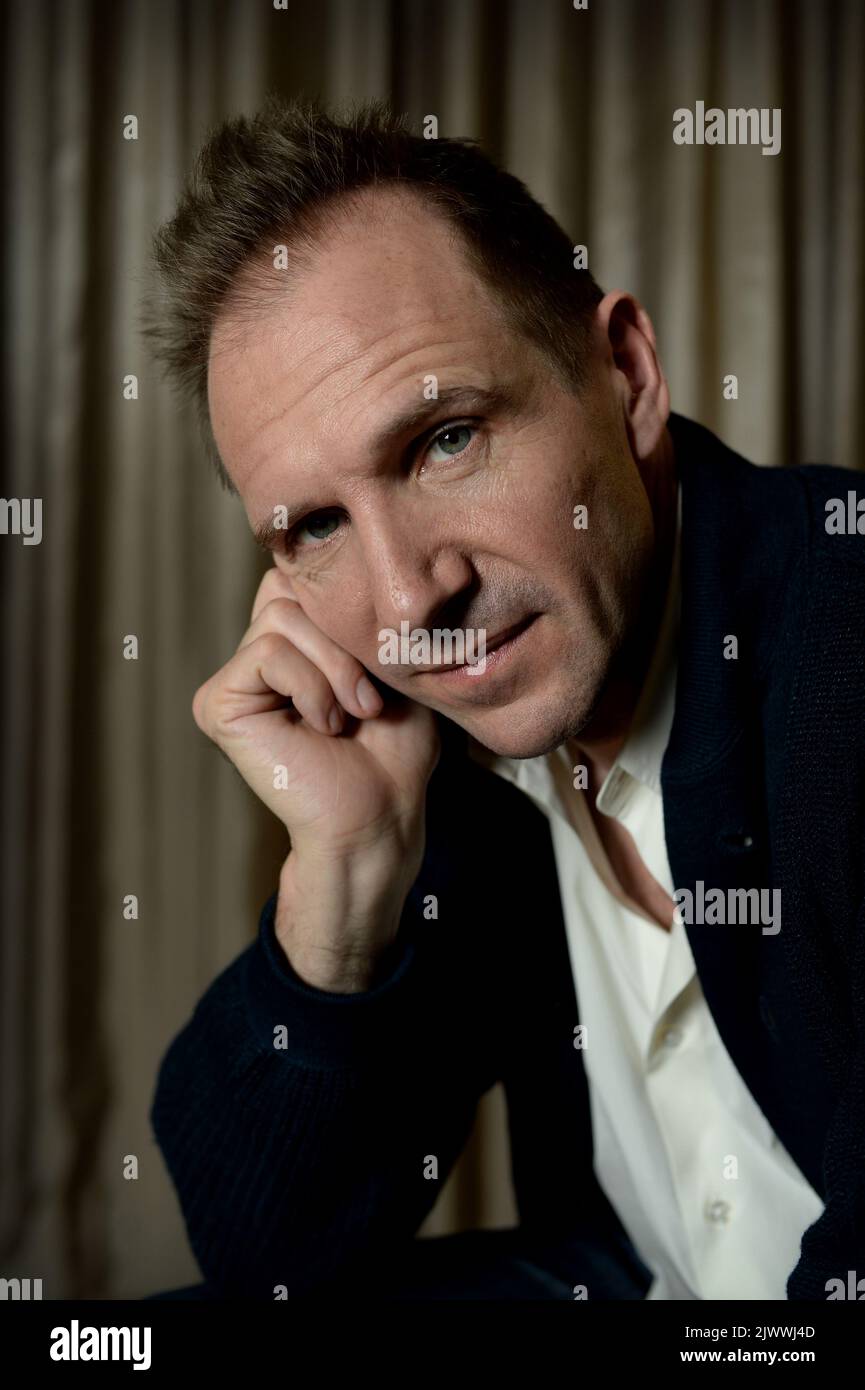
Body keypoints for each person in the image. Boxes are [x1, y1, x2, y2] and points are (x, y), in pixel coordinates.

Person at [143, 96, 865, 1302]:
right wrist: (349, 870)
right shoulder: (456, 755)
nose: (407, 595)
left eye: (444, 440)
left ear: (624, 374)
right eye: (315, 525)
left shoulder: (836, 656)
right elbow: (267, 1259)